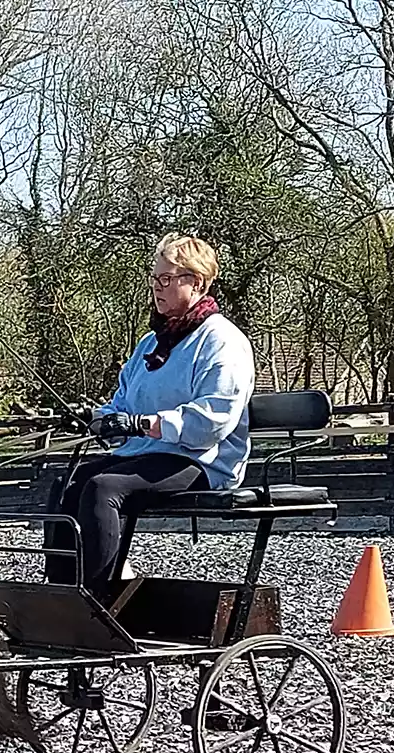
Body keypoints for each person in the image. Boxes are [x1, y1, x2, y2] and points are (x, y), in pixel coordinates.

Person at [44, 233, 256, 599]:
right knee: (66, 484)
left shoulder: (222, 341)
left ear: (198, 282)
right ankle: (60, 596)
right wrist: (97, 417)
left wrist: (144, 424)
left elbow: (212, 421)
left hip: (200, 461)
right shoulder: (151, 343)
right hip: (148, 455)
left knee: (103, 489)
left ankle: (96, 601)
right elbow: (124, 403)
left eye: (167, 279)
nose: (158, 288)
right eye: (155, 278)